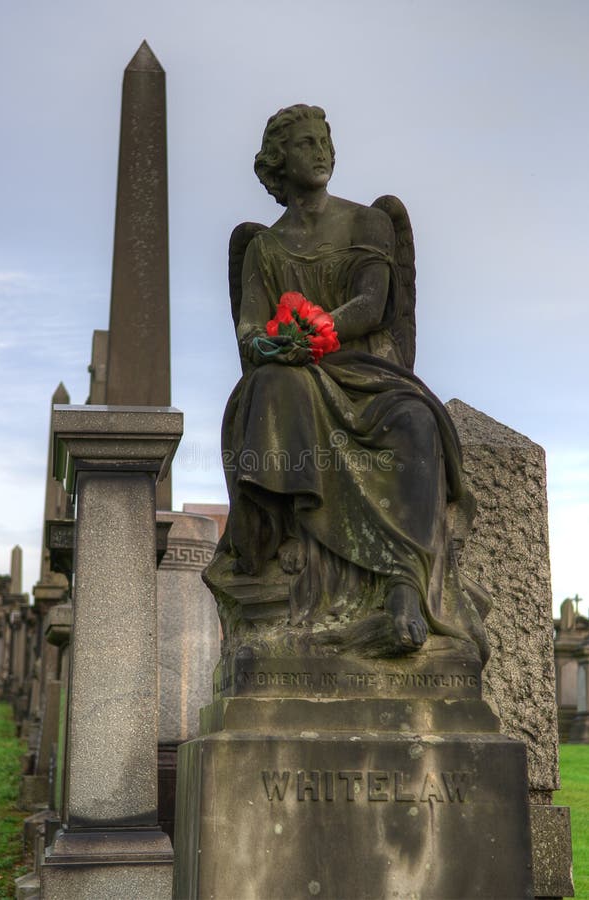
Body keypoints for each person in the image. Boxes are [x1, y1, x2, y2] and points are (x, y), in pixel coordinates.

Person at [204, 104, 488, 661]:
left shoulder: (368, 222)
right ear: (277, 163)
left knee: (415, 418)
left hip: (364, 371)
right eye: (305, 143)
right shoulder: (262, 247)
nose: (321, 151)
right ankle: (289, 547)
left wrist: (322, 328)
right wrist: (270, 344)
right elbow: (249, 327)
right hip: (294, 371)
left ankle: (405, 583)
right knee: (272, 388)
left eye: (324, 141)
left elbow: (373, 303)